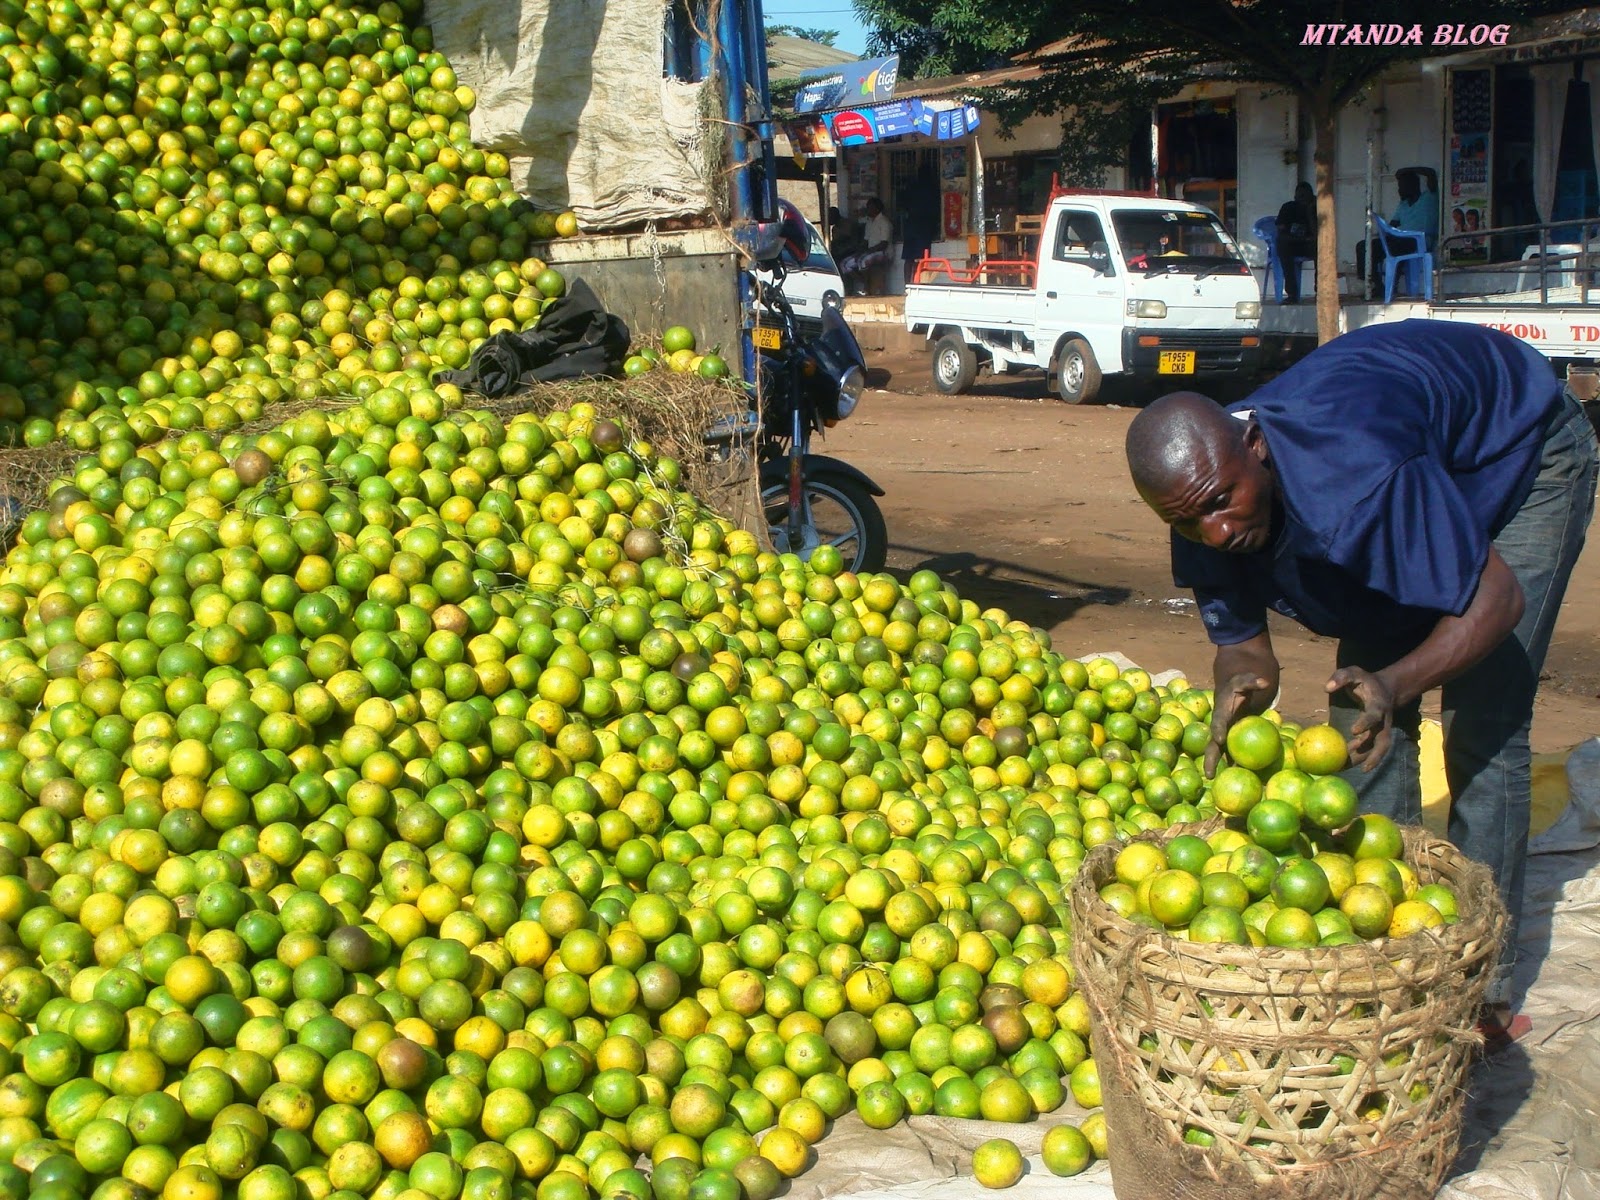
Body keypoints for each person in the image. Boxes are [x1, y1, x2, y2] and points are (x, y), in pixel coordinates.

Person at [1123, 320, 1598, 1053]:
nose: (1215, 533)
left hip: (1520, 454)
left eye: (1222, 504)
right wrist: (1242, 690)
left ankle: (1481, 990)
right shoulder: (1197, 501)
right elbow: (1247, 652)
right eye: (1188, 522)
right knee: (1358, 711)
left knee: (1484, 719)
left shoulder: (1357, 479)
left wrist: (1399, 677)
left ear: (1255, 448)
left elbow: (1495, 604)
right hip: (1413, 475)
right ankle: (1380, 938)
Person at [1355, 168, 1440, 295]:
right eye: (1399, 187)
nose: (1400, 190)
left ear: (1414, 185)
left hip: (1420, 241)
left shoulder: (1428, 198)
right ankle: (1376, 285)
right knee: (1364, 247)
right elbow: (1392, 225)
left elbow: (1431, 174)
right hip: (1402, 240)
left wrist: (1407, 170)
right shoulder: (1403, 205)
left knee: (1393, 249)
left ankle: (1390, 287)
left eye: (1403, 186)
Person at [1274, 182, 1316, 302]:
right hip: (1292, 243)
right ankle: (1292, 294)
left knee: (1320, 247)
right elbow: (1281, 230)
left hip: (1309, 244)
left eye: (1305, 197)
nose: (1302, 200)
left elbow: (1318, 233)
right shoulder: (1288, 207)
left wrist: (1310, 212)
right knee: (1282, 245)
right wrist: (1296, 238)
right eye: (1299, 197)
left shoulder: (1316, 208)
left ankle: (1320, 290)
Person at [841, 198, 891, 295]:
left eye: (869, 207)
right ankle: (864, 283)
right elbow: (865, 241)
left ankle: (866, 287)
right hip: (871, 251)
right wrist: (859, 252)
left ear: (876, 209)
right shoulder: (869, 222)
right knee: (845, 264)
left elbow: (884, 244)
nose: (867, 210)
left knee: (862, 261)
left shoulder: (884, 222)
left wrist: (867, 252)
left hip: (884, 253)